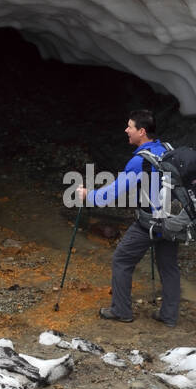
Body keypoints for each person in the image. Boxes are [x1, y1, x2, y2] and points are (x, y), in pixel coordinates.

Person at [77, 109, 180, 326]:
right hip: (173, 220)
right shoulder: (166, 150)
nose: (126, 130)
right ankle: (169, 316)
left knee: (122, 260)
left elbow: (113, 193)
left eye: (130, 126)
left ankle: (121, 311)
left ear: (141, 132)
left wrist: (88, 195)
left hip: (150, 222)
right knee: (169, 267)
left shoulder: (140, 161)